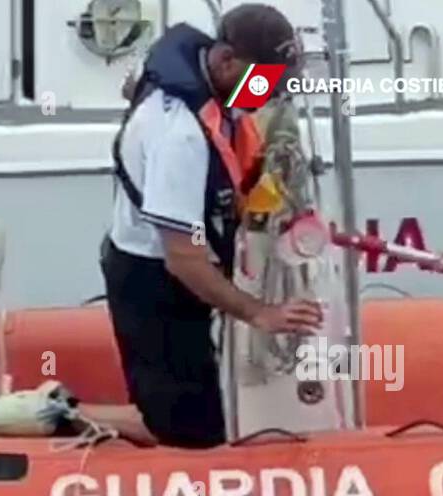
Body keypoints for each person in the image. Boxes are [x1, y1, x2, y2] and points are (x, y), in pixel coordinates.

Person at [85, 4, 323, 448]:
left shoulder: (216, 90)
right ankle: (63, 412)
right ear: (227, 61)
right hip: (153, 280)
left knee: (198, 407)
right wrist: (260, 313)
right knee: (184, 430)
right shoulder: (181, 136)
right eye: (264, 81)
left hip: (185, 268)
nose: (269, 93)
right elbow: (184, 258)